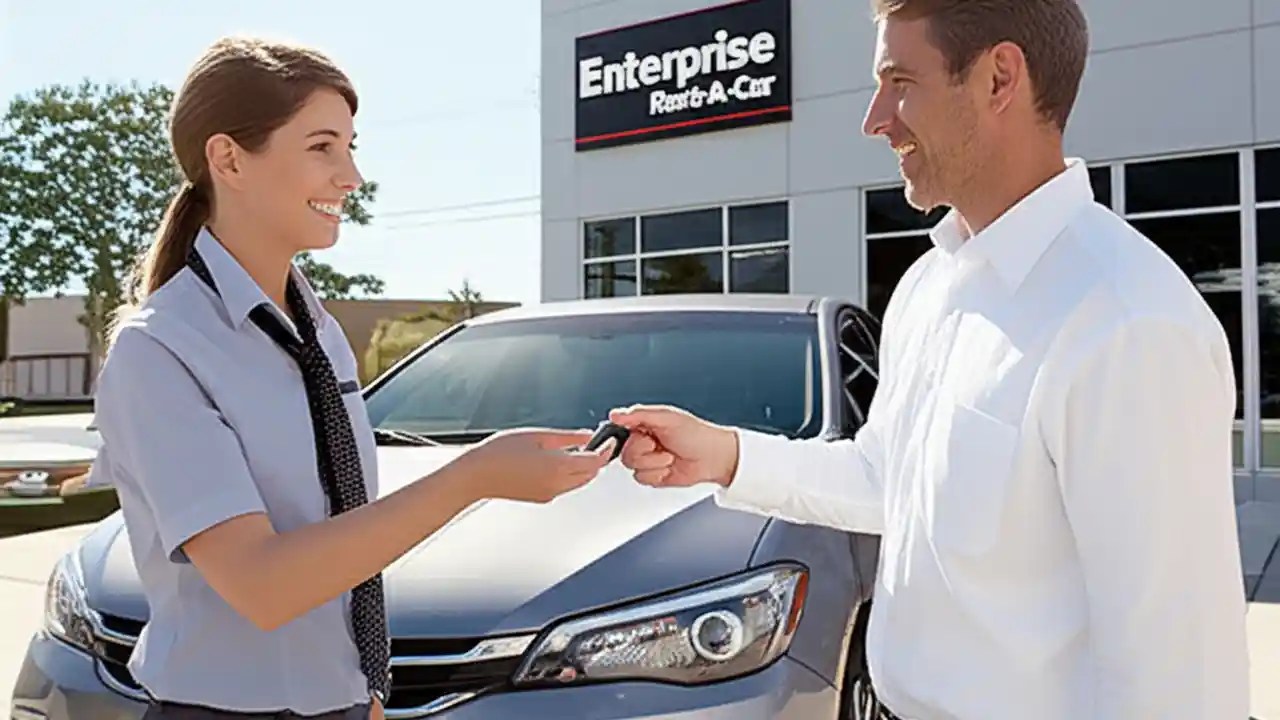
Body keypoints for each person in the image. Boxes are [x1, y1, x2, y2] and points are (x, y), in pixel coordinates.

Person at [608, 1, 1251, 718]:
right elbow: (889, 481)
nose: (875, 118)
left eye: (899, 80)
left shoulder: (1128, 322)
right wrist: (726, 455)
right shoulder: (929, 287)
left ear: (999, 78)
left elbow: (1176, 682)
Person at [88, 36, 614, 720]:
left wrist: (360, 683)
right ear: (228, 158)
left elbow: (340, 528)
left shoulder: (321, 334)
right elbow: (261, 584)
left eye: (350, 147)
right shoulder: (158, 350)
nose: (351, 176)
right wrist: (472, 479)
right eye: (322, 147)